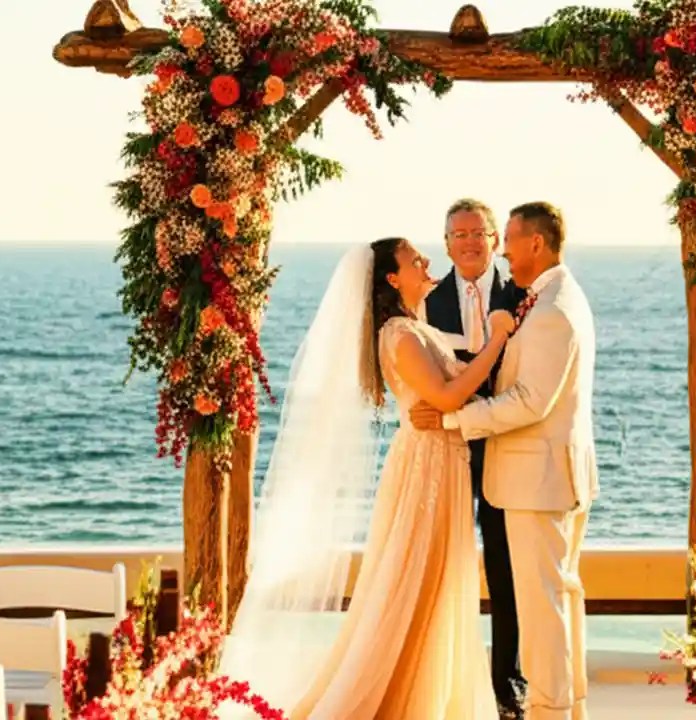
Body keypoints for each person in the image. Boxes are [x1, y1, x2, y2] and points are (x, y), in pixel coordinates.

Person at [219, 237, 515, 719]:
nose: (425, 261)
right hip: (428, 467)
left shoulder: (416, 327)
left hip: (442, 461)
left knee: (438, 584)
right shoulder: (400, 334)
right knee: (416, 579)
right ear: (393, 279)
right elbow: (447, 396)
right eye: (414, 259)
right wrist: (499, 338)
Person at [411, 202, 598, 720]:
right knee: (556, 594)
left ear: (520, 242)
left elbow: (531, 400)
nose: (503, 252)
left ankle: (540, 703)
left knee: (538, 599)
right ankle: (563, 703)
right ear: (446, 242)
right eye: (459, 234)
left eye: (500, 239)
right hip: (509, 464)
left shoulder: (546, 306)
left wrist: (453, 419)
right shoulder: (551, 297)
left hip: (525, 468)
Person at [421, 198, 528, 719]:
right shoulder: (427, 302)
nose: (467, 242)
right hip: (446, 450)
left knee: (506, 570)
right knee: (442, 565)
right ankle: (438, 680)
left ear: (493, 240)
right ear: (445, 244)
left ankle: (508, 687)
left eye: (477, 233)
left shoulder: (524, 296)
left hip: (507, 451)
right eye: (457, 234)